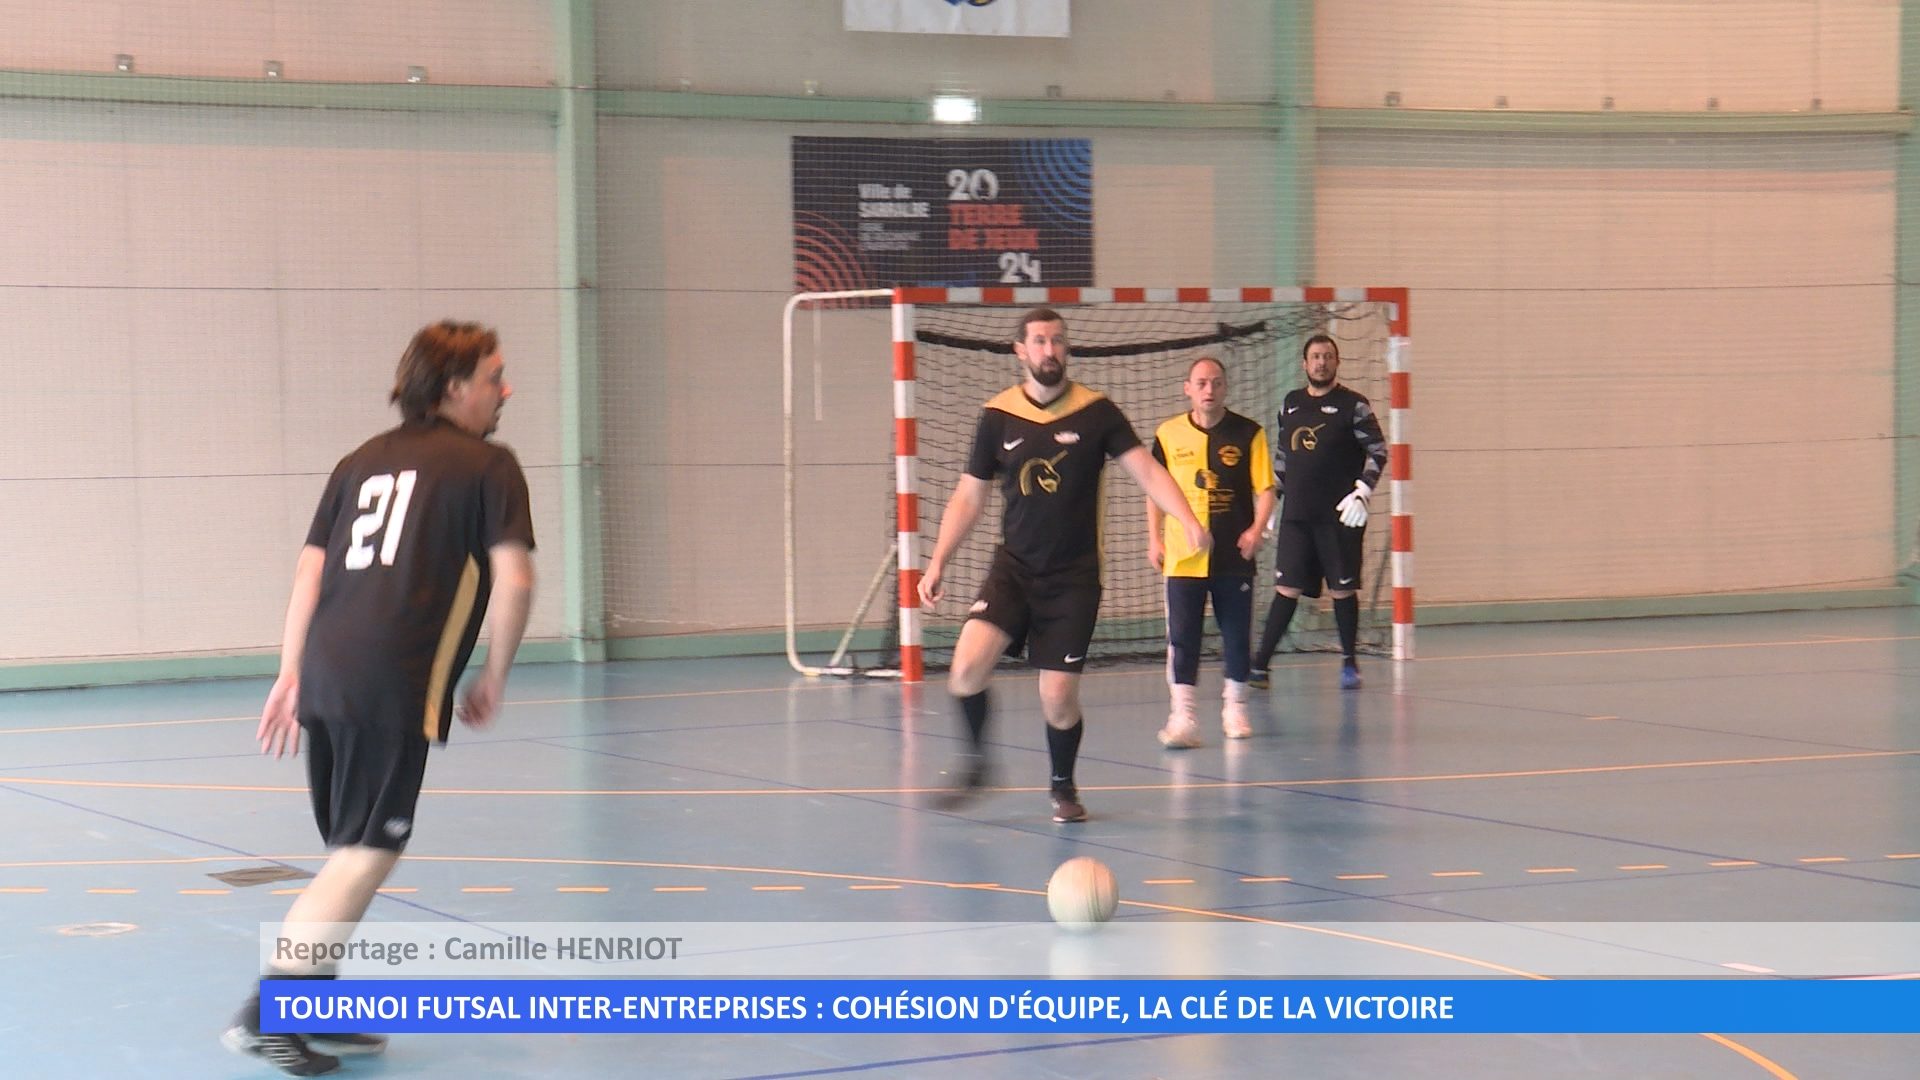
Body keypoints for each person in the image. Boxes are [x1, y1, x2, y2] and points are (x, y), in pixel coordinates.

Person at [222, 321, 536, 1076]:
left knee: (352, 849)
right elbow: (516, 579)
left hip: (328, 669)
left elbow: (308, 573)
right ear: (455, 386)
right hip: (392, 676)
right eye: (495, 375)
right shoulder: (489, 466)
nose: (507, 388)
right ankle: (269, 1012)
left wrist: (290, 671)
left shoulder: (358, 461)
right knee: (369, 849)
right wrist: (494, 673)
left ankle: (318, 1005)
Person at [918, 307, 1209, 823]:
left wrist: (1185, 519)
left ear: (1066, 349)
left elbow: (1147, 470)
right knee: (964, 670)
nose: (1049, 350)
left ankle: (1062, 785)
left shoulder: (1097, 413)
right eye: (1039, 341)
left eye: (1057, 341)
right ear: (1020, 351)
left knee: (1057, 699)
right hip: (1013, 569)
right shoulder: (997, 416)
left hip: (1073, 578)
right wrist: (938, 561)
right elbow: (968, 497)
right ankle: (979, 762)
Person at [1147, 356, 1276, 746]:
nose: (1209, 390)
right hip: (1183, 558)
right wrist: (1154, 537)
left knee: (1236, 635)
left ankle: (1235, 708)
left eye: (1216, 383)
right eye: (1201, 383)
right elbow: (1154, 488)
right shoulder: (1168, 435)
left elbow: (1266, 489)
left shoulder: (1249, 433)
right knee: (1183, 637)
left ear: (1226, 388)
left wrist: (1256, 529)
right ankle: (1183, 716)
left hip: (1233, 558)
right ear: (1187, 388)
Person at [1250, 333, 1388, 690]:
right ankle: (1260, 665)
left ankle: (1349, 662)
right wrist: (1270, 504)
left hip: (1339, 517)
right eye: (1315, 356)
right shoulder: (1291, 404)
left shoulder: (1354, 405)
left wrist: (1363, 490)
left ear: (1337, 362)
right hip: (1297, 516)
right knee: (1286, 587)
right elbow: (1283, 457)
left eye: (1328, 356)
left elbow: (1378, 451)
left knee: (1342, 590)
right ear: (1304, 363)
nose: (1321, 362)